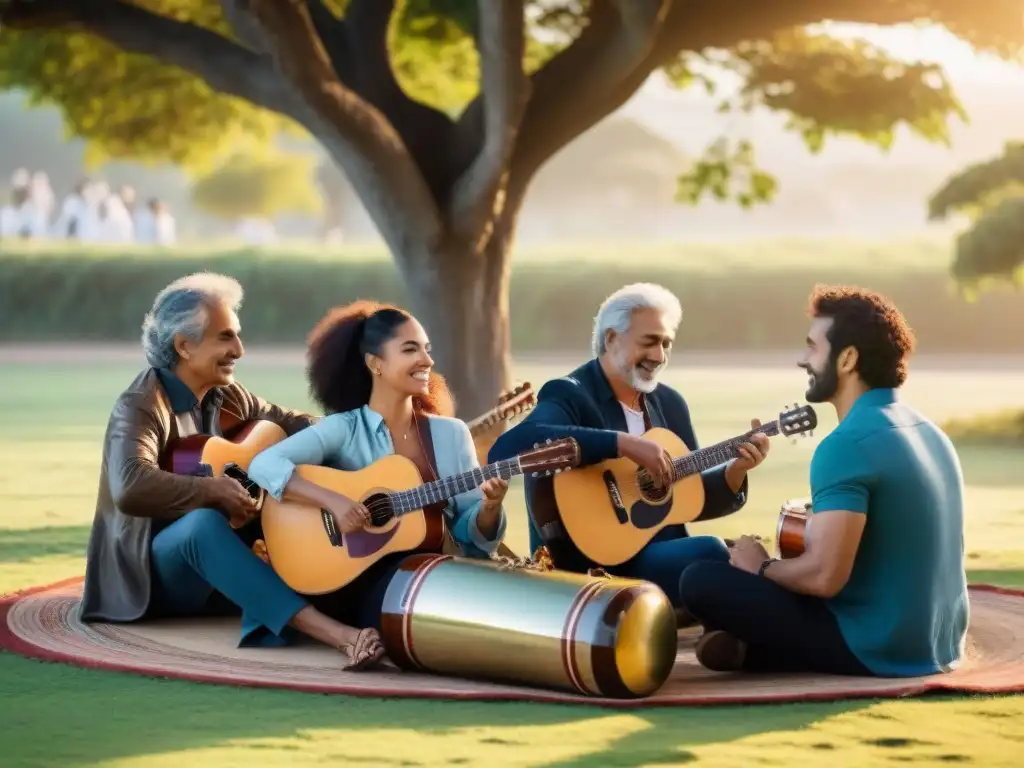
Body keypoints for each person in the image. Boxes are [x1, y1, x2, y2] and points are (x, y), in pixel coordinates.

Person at [79, 273, 387, 671]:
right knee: (202, 525)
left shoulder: (228, 395)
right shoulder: (140, 405)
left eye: (237, 335)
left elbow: (294, 424)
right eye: (225, 337)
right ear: (184, 346)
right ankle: (338, 636)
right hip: (150, 580)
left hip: (221, 568)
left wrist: (354, 442)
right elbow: (130, 484)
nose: (239, 349)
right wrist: (213, 491)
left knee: (291, 494)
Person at [679, 284, 970, 678]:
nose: (804, 360)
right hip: (941, 640)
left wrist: (762, 568)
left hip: (875, 645)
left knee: (702, 576)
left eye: (813, 347)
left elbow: (824, 577)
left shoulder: (846, 445)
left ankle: (754, 648)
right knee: (740, 566)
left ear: (847, 358)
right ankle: (746, 647)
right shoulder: (930, 431)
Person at [247, 301, 510, 661]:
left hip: (433, 574)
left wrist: (490, 508)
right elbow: (264, 463)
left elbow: (472, 539)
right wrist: (333, 501)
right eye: (410, 349)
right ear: (375, 364)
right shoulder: (345, 428)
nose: (427, 361)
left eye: (427, 350)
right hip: (355, 579)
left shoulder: (450, 434)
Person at [487, 283, 770, 609]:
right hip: (589, 563)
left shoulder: (669, 404)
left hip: (659, 552)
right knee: (714, 554)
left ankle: (726, 634)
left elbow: (690, 500)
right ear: (611, 339)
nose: (659, 356)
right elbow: (509, 447)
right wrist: (622, 444)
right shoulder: (571, 392)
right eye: (649, 342)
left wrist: (736, 471)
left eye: (667, 344)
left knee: (745, 553)